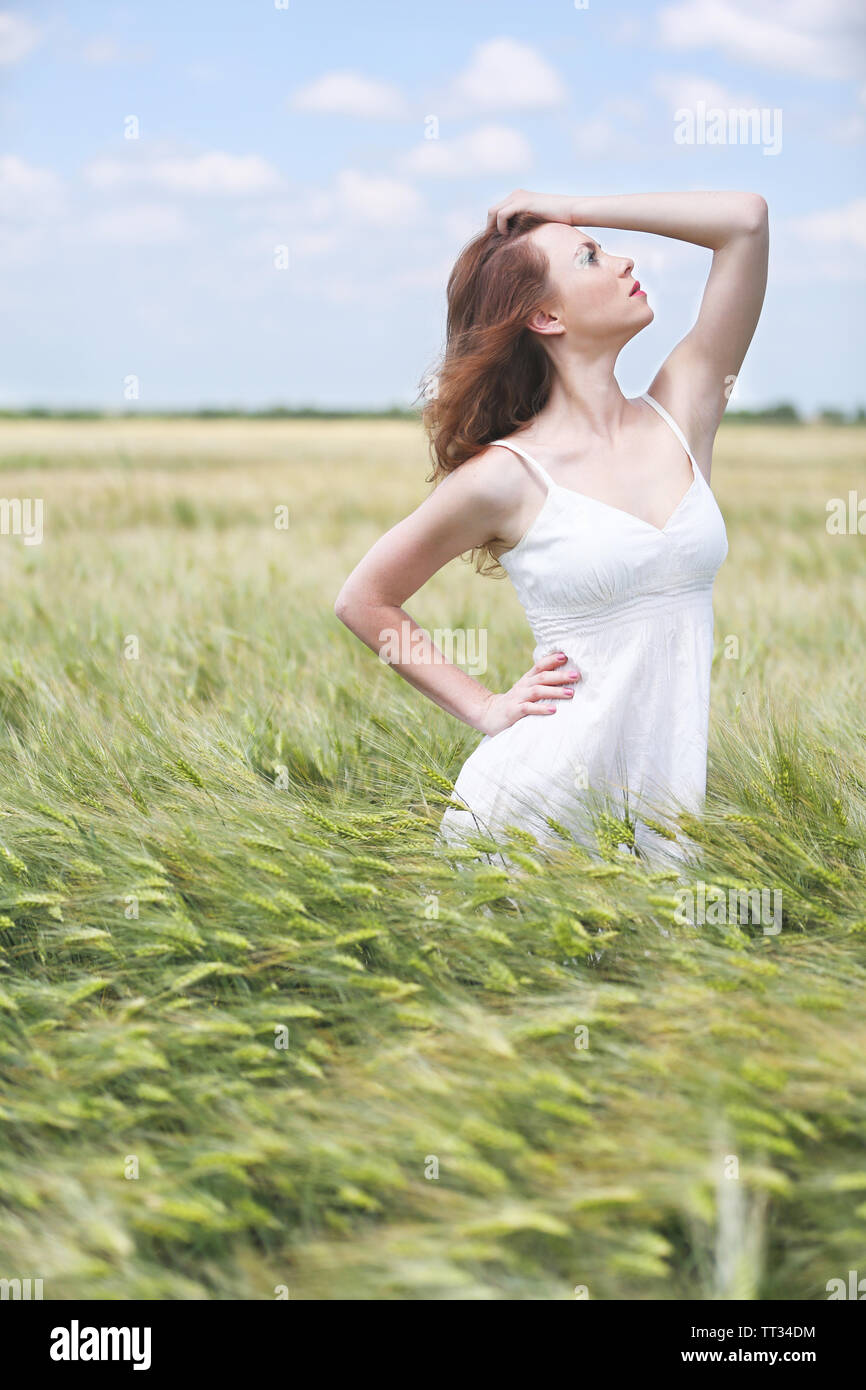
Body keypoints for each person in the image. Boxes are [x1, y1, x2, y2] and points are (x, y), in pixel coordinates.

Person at [334, 189, 768, 864]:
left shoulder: (686, 407)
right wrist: (482, 707)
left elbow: (745, 223)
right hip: (532, 825)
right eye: (591, 257)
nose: (624, 260)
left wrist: (570, 205)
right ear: (544, 315)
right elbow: (364, 599)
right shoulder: (505, 475)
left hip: (663, 824)